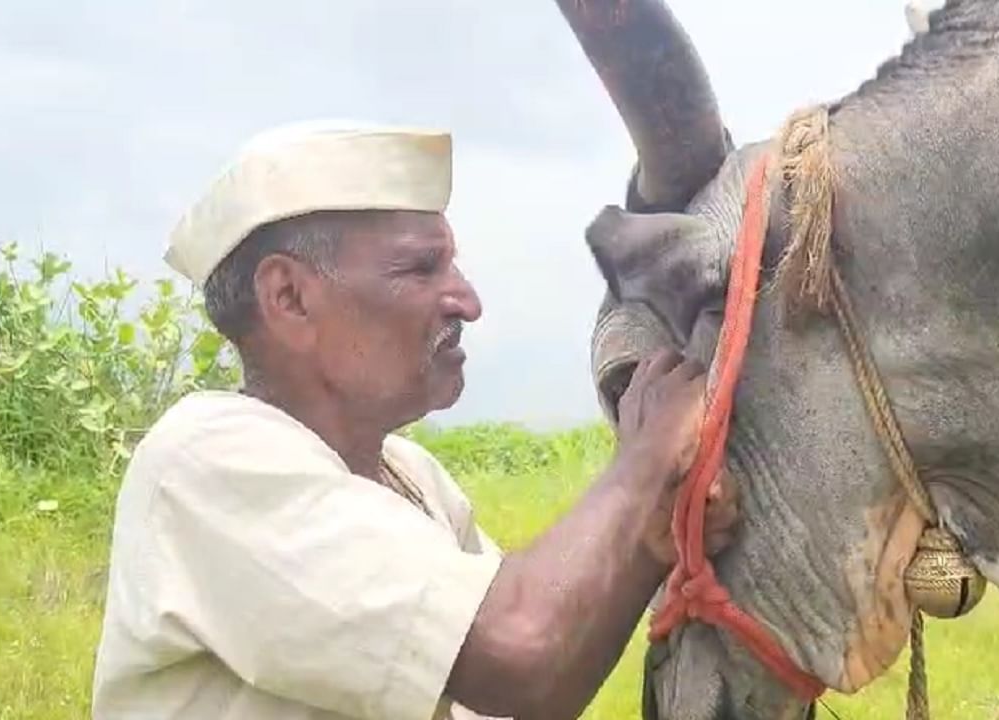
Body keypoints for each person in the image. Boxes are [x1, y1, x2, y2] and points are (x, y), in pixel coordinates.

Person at [90, 120, 739, 720]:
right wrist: (643, 462)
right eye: (421, 268)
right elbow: (521, 648)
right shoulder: (204, 461)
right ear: (288, 298)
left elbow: (537, 690)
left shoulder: (410, 476)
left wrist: (651, 537)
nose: (466, 300)